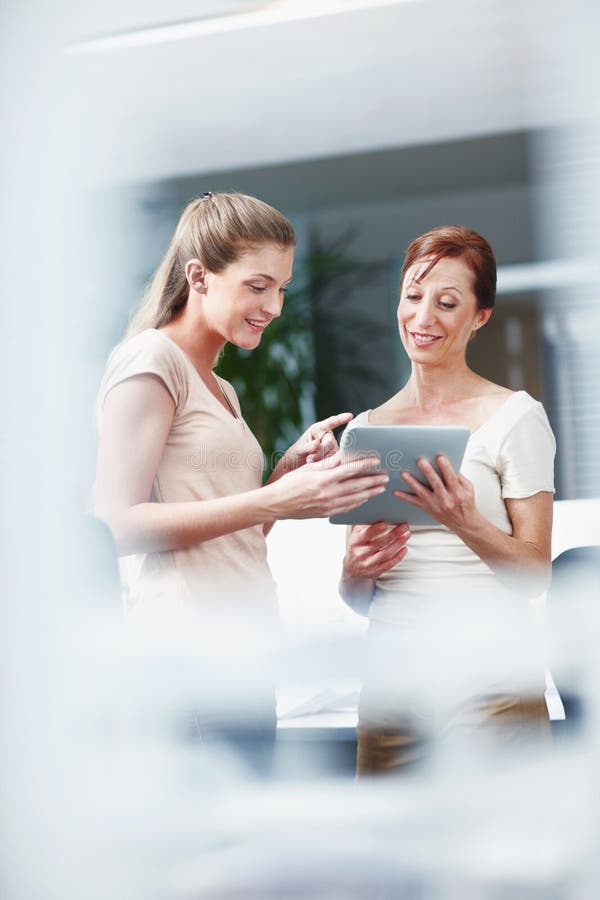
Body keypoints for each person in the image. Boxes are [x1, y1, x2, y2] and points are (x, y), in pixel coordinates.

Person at [94, 191, 388, 773]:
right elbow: (116, 523)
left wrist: (286, 476)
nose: (275, 305)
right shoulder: (152, 359)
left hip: (246, 655)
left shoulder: (221, 387)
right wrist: (273, 495)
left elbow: (231, 527)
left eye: (280, 288)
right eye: (258, 286)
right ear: (198, 277)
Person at [339, 225, 556, 775]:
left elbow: (535, 575)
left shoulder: (515, 417)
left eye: (447, 302)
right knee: (391, 854)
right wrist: (354, 569)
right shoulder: (365, 432)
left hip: (494, 678)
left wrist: (464, 521)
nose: (423, 317)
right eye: (413, 296)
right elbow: (360, 598)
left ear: (480, 316)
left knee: (498, 853)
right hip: (393, 683)